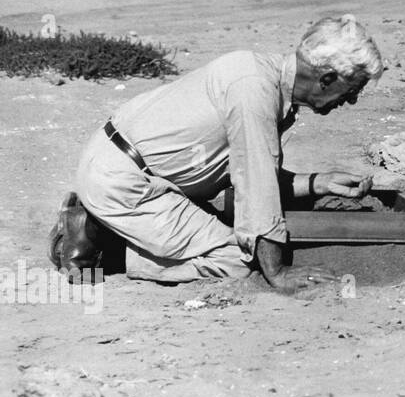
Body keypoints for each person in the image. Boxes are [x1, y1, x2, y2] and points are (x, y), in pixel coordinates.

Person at [49, 15, 383, 292]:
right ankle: (102, 245)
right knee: (240, 261)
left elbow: (243, 173)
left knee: (232, 226)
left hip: (117, 165)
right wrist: (277, 272)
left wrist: (318, 183)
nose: (350, 101)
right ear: (327, 77)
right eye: (352, 90)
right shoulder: (254, 93)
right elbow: (256, 191)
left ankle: (101, 222)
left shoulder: (260, 73)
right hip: (127, 185)